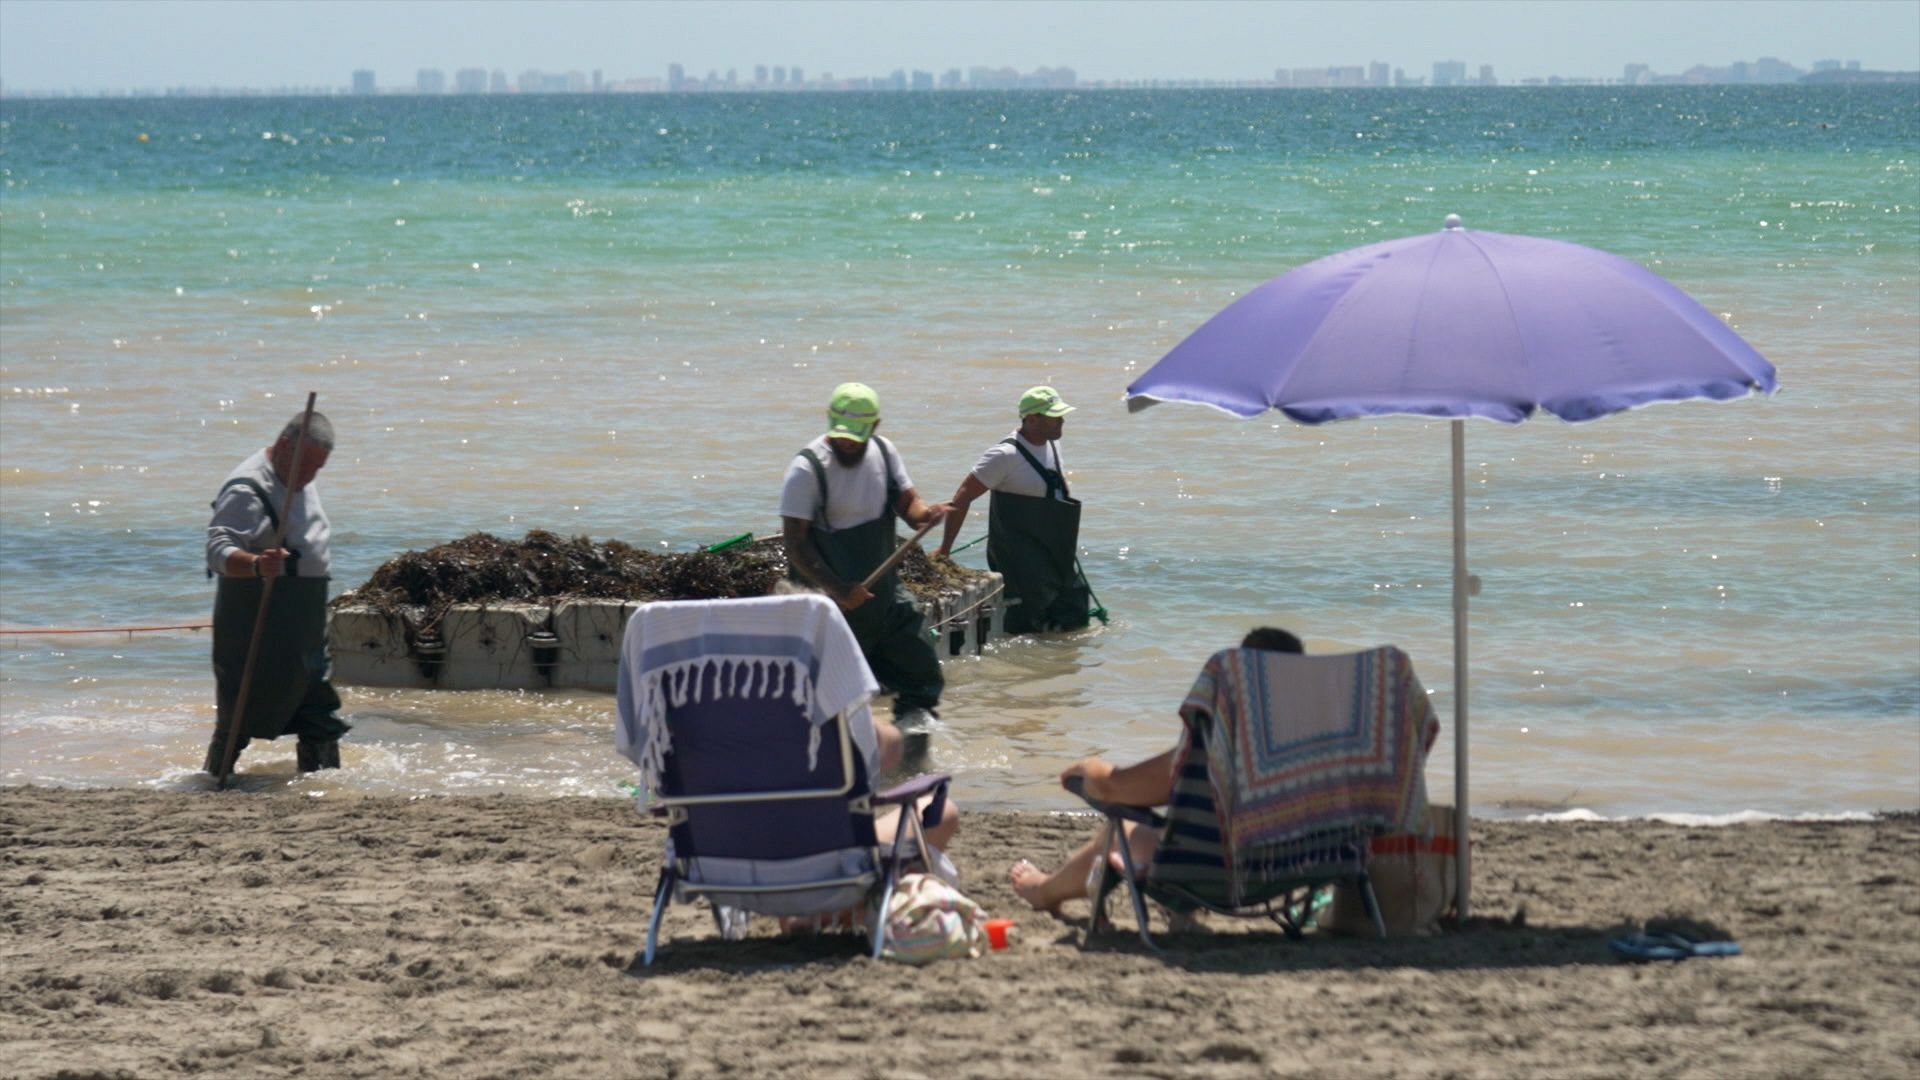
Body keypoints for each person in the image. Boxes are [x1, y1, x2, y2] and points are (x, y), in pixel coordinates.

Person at [1008, 626, 1304, 913]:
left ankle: (1043, 891)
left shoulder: (1215, 746)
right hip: (1285, 872)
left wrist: (1086, 768)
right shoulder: (1319, 753)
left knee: (1119, 830)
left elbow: (1113, 787)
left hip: (1208, 875)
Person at [780, 382, 949, 727]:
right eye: (841, 434)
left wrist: (924, 514)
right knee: (829, 696)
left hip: (883, 595)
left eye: (857, 435)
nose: (848, 442)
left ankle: (912, 746)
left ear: (875, 426)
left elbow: (907, 504)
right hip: (829, 602)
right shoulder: (807, 468)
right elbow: (796, 546)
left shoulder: (884, 453)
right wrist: (838, 589)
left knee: (919, 665)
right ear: (828, 421)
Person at [203, 412, 349, 775]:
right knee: (240, 712)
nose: (309, 477)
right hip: (261, 618)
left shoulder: (297, 473)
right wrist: (255, 564)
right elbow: (217, 549)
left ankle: (323, 786)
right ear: (285, 446)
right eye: (306, 465)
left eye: (319, 468)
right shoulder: (247, 488)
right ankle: (214, 781)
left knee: (318, 708)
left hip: (304, 620)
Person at [935, 386, 1091, 635]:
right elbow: (962, 497)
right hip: (1022, 564)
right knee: (1028, 632)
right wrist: (945, 549)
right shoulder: (1004, 455)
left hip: (1056, 555)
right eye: (1054, 416)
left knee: (1075, 619)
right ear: (1031, 419)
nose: (1062, 420)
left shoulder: (1051, 444)